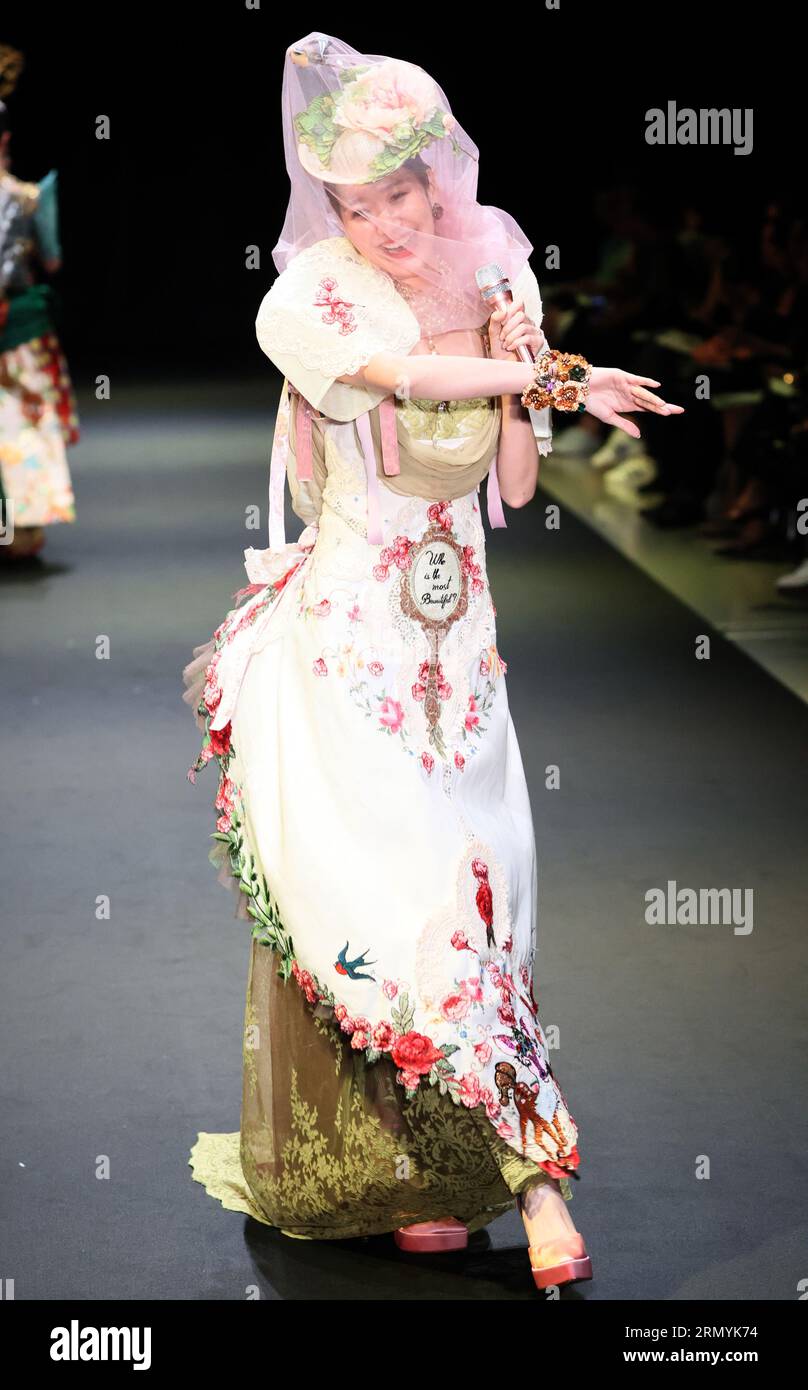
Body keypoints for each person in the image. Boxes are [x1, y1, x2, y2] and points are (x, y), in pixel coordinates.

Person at [183, 32, 682, 1292]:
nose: (390, 220)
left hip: (456, 643)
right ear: (331, 205)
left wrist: (529, 381)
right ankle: (539, 1182)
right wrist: (553, 371)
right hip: (350, 638)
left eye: (405, 192)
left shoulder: (489, 278)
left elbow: (509, 481)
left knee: (480, 892)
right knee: (394, 904)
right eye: (359, 203)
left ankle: (440, 1179)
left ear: (437, 177)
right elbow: (401, 376)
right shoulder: (311, 296)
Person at [0, 43, 78, 563]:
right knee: (18, 424)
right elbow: (50, 262)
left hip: (14, 322)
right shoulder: (26, 197)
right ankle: (21, 528)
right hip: (16, 325)